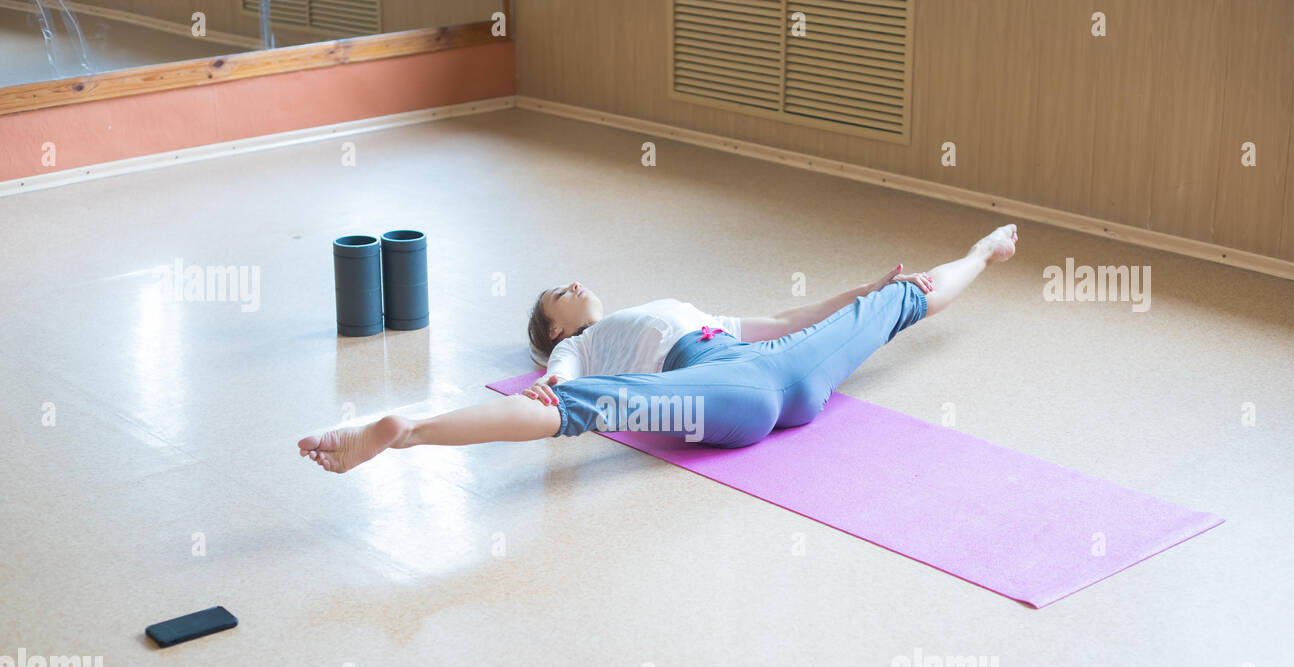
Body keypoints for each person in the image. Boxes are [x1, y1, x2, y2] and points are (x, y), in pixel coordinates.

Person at [299, 225, 1018, 472]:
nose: (571, 284)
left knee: (902, 298)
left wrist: (857, 297)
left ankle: (984, 252)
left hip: (787, 373)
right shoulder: (581, 346)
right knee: (577, 406)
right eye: (558, 294)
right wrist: (552, 382)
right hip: (718, 391)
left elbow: (780, 318)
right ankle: (402, 432)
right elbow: (558, 383)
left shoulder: (672, 308)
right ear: (557, 327)